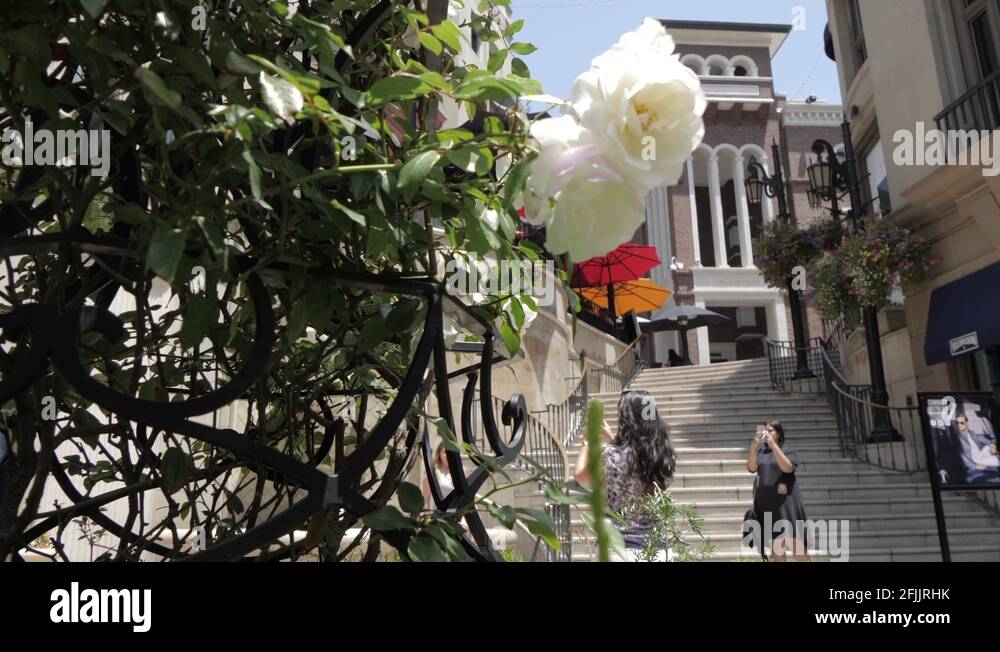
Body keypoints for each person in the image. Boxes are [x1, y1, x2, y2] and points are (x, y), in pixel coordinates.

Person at [574, 390, 677, 560]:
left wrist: (588, 442)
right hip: (658, 550)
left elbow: (580, 476)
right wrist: (612, 438)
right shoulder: (663, 455)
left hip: (619, 549)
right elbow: (636, 456)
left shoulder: (609, 454)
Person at [746, 421, 808, 561]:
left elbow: (788, 468)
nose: (767, 433)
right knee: (777, 551)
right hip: (768, 506)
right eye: (765, 430)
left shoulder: (788, 451)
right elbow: (751, 467)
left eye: (771, 430)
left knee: (796, 545)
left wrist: (773, 446)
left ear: (779, 433)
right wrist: (755, 445)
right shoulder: (761, 452)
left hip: (786, 505)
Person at [956, 414, 1000, 484]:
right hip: (975, 460)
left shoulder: (972, 433)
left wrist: (992, 444)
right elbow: (961, 454)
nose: (959, 425)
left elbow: (983, 439)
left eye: (961, 422)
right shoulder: (959, 438)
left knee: (988, 447)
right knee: (997, 460)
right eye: (957, 423)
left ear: (967, 423)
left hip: (980, 455)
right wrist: (975, 466)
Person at [423, 441, 456, 508]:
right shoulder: (432, 473)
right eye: (445, 452)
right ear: (439, 454)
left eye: (450, 452)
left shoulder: (460, 471)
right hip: (439, 514)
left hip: (457, 514)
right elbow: (426, 499)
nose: (447, 455)